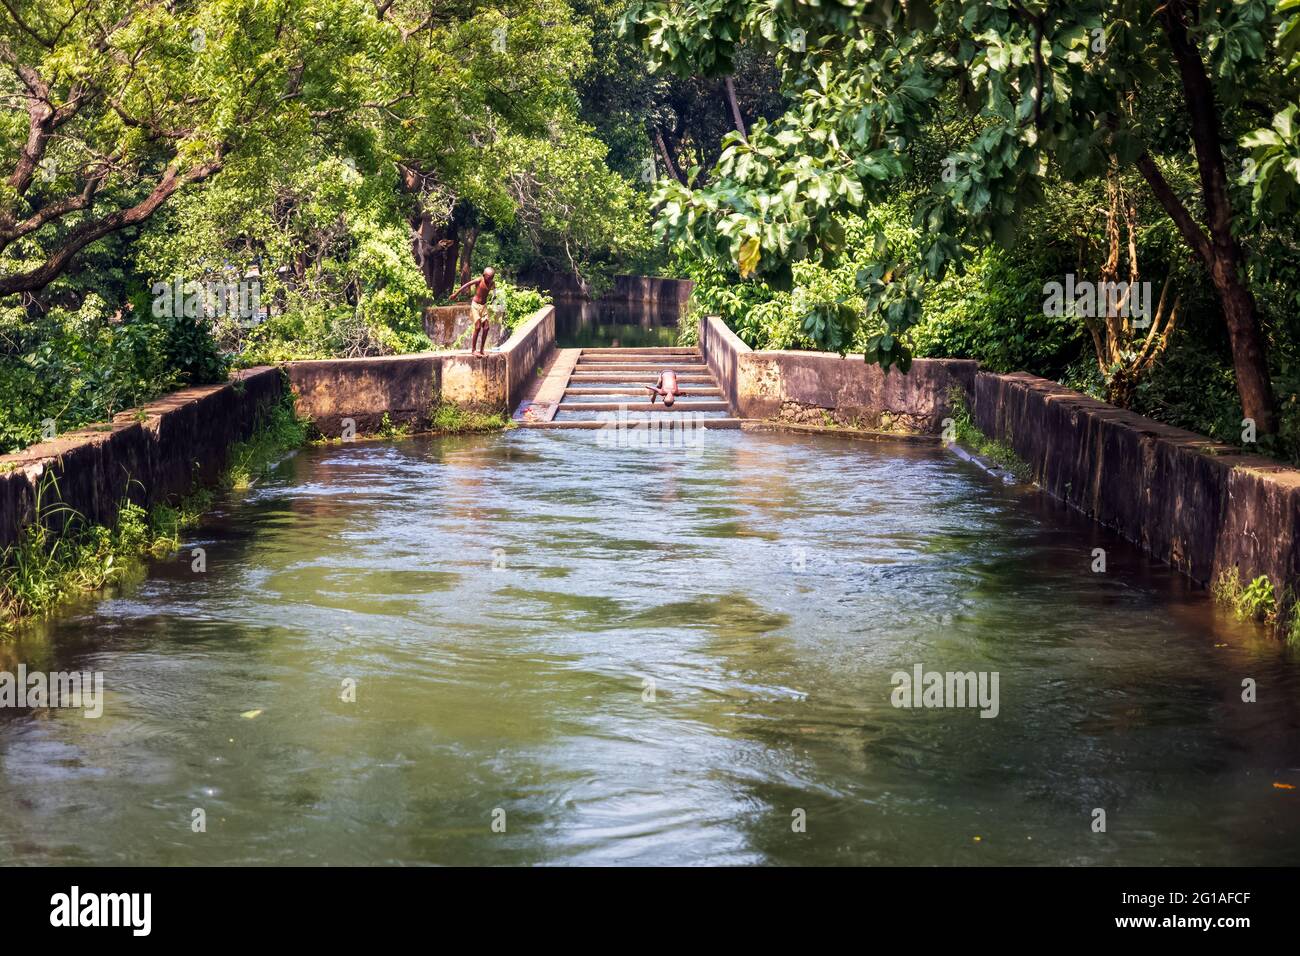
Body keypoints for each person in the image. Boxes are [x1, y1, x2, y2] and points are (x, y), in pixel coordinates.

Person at [451, 267, 496, 355]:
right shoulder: (479, 280)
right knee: (478, 326)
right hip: (475, 305)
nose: (490, 279)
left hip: (484, 306)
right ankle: (473, 350)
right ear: (484, 275)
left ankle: (482, 349)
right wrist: (456, 294)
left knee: (486, 328)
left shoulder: (492, 282)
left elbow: (494, 289)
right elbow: (467, 285)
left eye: (492, 277)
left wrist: (494, 296)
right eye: (489, 277)